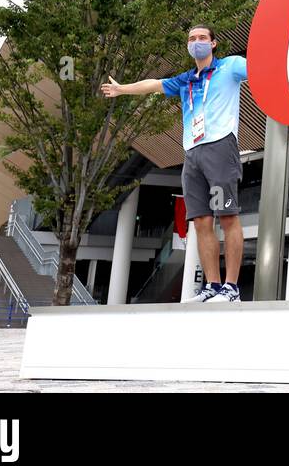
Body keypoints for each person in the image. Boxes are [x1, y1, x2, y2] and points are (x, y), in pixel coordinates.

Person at [102, 24, 252, 303]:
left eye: (202, 38)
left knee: (227, 216)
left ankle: (231, 289)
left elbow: (265, 68)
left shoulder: (230, 67)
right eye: (192, 39)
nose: (197, 42)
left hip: (220, 147)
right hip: (192, 153)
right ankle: (212, 287)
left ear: (214, 44)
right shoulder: (185, 79)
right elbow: (154, 85)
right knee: (201, 221)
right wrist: (121, 89)